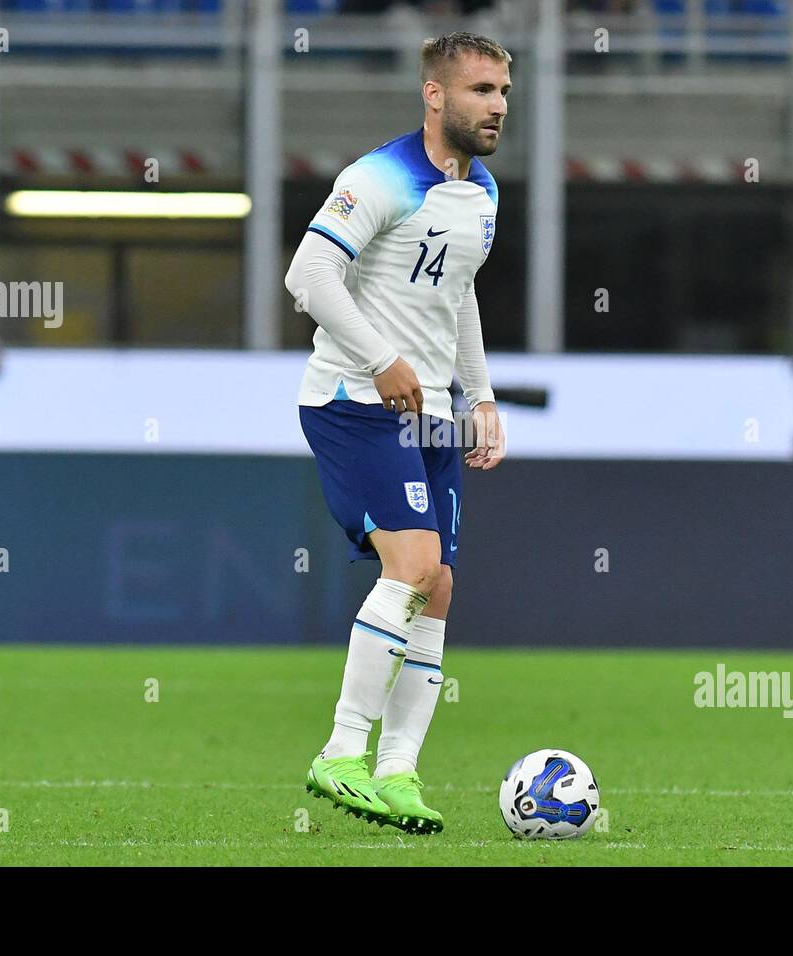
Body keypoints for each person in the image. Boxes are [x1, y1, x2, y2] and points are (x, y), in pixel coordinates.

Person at [284, 31, 509, 834]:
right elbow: (308, 275)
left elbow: (459, 296)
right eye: (482, 91)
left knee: (439, 584)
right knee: (412, 566)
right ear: (435, 95)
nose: (497, 108)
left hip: (434, 412)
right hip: (354, 400)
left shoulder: (481, 193)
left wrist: (479, 395)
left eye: (504, 93)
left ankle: (398, 772)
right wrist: (381, 359)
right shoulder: (377, 177)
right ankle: (340, 753)